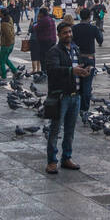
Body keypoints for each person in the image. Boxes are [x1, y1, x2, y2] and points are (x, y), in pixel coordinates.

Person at [44, 22, 87, 173]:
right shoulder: (54, 51)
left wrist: (83, 71)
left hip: (76, 95)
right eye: (64, 33)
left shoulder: (75, 49)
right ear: (59, 35)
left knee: (70, 130)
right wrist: (71, 70)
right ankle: (52, 161)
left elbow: (77, 69)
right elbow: (52, 70)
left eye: (69, 32)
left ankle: (66, 157)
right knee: (55, 130)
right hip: (61, 97)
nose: (68, 34)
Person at [71, 8, 102, 115]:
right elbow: (100, 40)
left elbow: (70, 42)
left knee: (77, 82)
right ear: (89, 16)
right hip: (89, 58)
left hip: (77, 58)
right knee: (87, 83)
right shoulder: (93, 28)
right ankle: (84, 108)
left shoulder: (74, 28)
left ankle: (76, 105)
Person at [31, 7, 56, 74]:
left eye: (39, 12)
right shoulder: (50, 19)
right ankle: (48, 71)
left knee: (43, 57)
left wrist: (34, 23)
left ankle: (44, 71)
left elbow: (35, 28)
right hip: (52, 40)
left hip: (45, 41)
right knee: (50, 57)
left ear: (42, 13)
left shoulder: (43, 20)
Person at [0, 10, 16, 80]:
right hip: (11, 43)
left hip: (6, 45)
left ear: (2, 14)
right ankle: (15, 70)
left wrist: (7, 44)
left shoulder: (4, 23)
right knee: (5, 59)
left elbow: (8, 35)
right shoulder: (9, 18)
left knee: (1, 60)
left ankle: (3, 76)